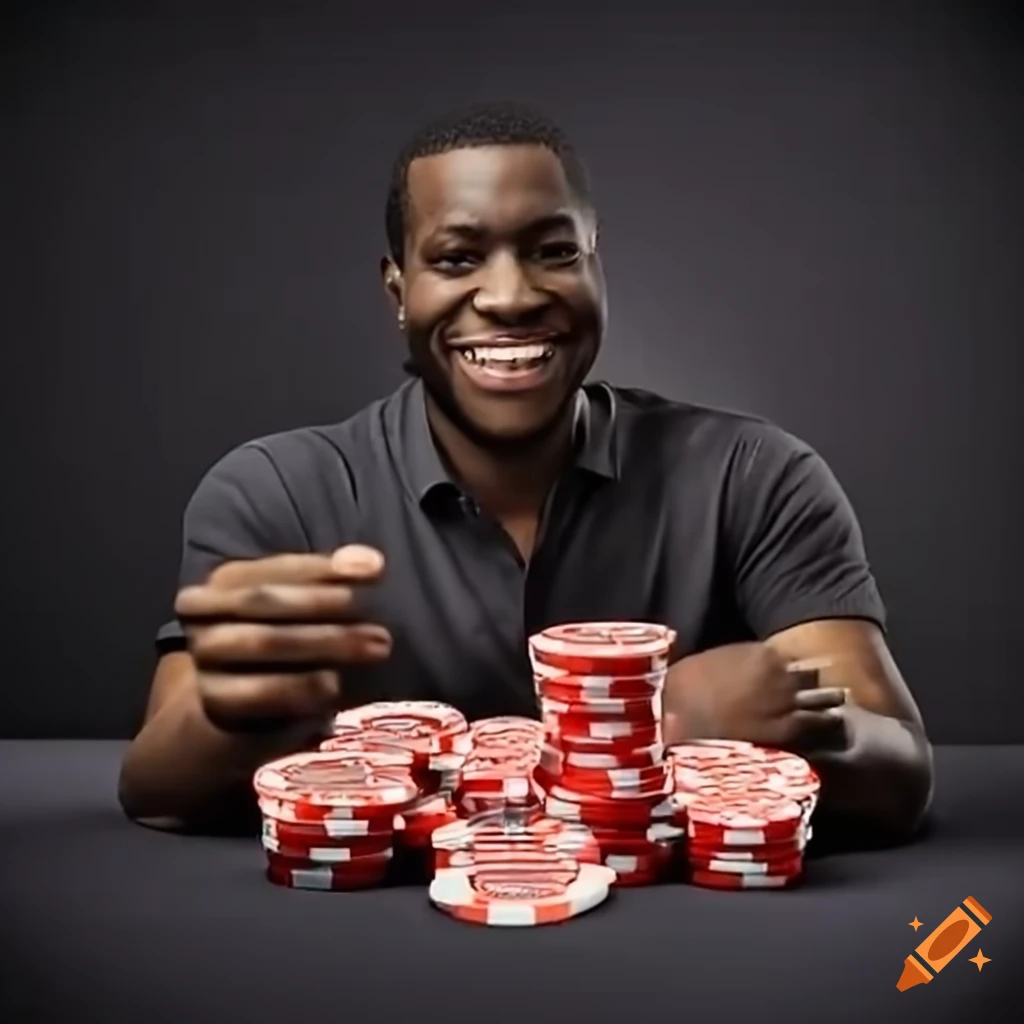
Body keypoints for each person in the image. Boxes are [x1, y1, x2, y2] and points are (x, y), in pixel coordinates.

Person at [118, 100, 933, 840]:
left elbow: (900, 768)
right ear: (397, 289)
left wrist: (809, 724)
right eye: (458, 258)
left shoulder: (755, 474)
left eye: (551, 251)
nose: (509, 296)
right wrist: (233, 718)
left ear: (596, 263)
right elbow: (154, 786)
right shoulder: (278, 493)